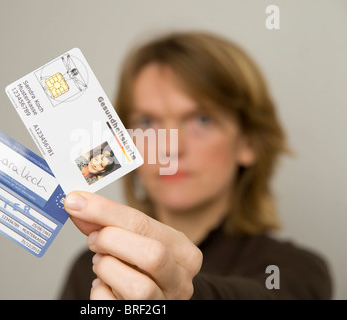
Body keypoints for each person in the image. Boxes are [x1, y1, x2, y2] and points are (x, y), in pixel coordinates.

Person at [60, 31, 332, 299]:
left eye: (201, 120)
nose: (170, 148)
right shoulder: (89, 270)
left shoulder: (295, 271)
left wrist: (182, 294)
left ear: (247, 142)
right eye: (146, 123)